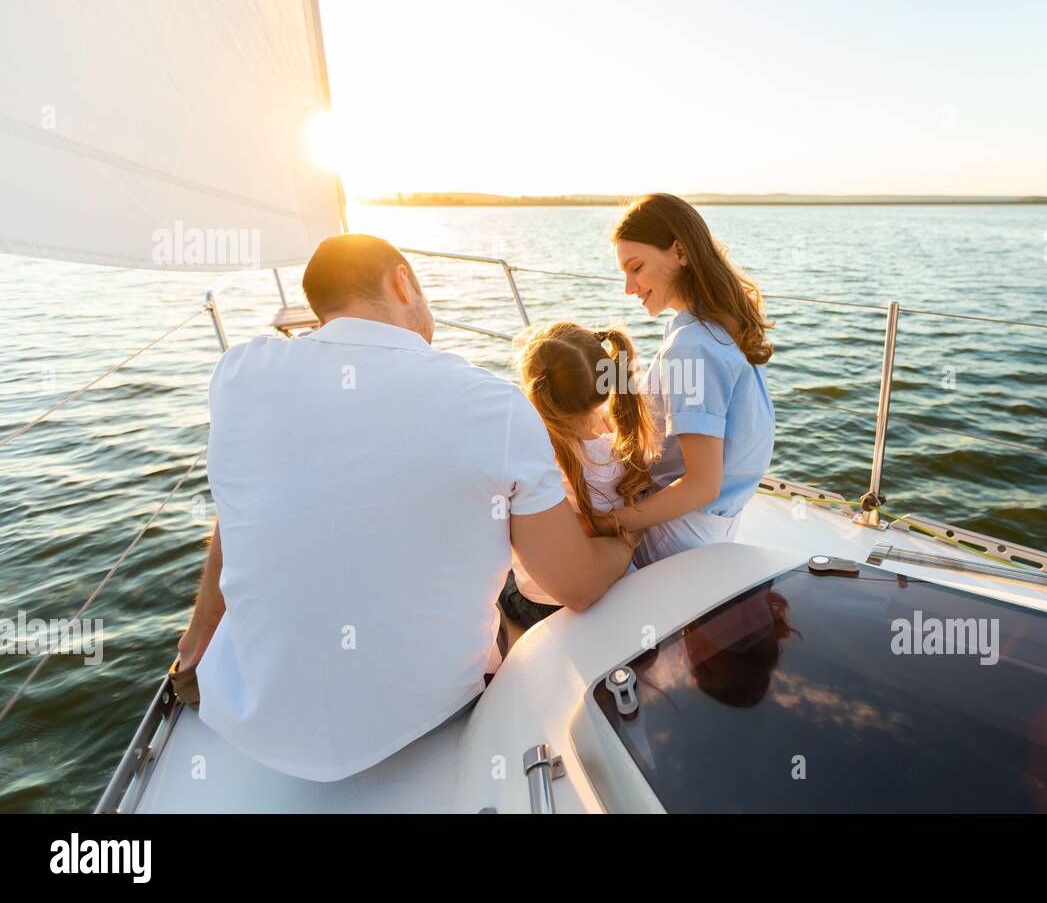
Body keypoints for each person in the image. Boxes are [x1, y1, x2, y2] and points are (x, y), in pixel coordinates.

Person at [170, 234, 633, 782]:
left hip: (243, 719)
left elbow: (237, 501)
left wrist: (199, 635)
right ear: (402, 281)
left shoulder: (239, 373)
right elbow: (572, 585)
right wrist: (623, 538)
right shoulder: (493, 404)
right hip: (430, 718)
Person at [600, 193, 776, 565]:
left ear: (680, 252)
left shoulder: (692, 344)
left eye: (636, 267)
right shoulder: (720, 325)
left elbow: (701, 483)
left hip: (674, 535)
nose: (629, 288)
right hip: (710, 529)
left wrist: (608, 523)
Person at [499, 321, 658, 628]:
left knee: (504, 575)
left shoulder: (531, 454)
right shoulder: (621, 443)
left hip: (541, 605)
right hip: (621, 578)